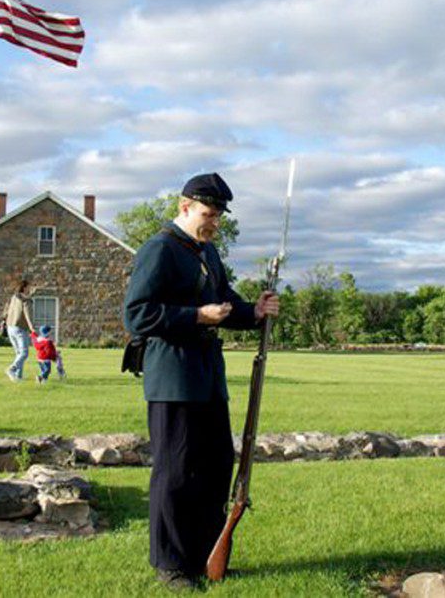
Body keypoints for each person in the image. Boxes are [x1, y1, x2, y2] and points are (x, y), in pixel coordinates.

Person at [123, 172, 280, 589]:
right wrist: (194, 316)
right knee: (175, 471)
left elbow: (225, 305)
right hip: (172, 375)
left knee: (214, 467)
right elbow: (136, 314)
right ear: (184, 207)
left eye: (218, 217)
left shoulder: (207, 254)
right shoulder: (159, 249)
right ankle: (171, 565)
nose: (213, 224)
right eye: (208, 214)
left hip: (207, 375)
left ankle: (206, 557)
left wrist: (255, 311)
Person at [2, 280, 35, 382]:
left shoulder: (13, 297)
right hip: (20, 328)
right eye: (29, 287)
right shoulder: (26, 300)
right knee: (24, 353)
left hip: (10, 327)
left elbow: (6, 310)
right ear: (24, 287)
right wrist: (32, 328)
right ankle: (12, 369)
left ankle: (18, 376)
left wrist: (4, 320)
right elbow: (27, 315)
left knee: (19, 353)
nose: (30, 289)